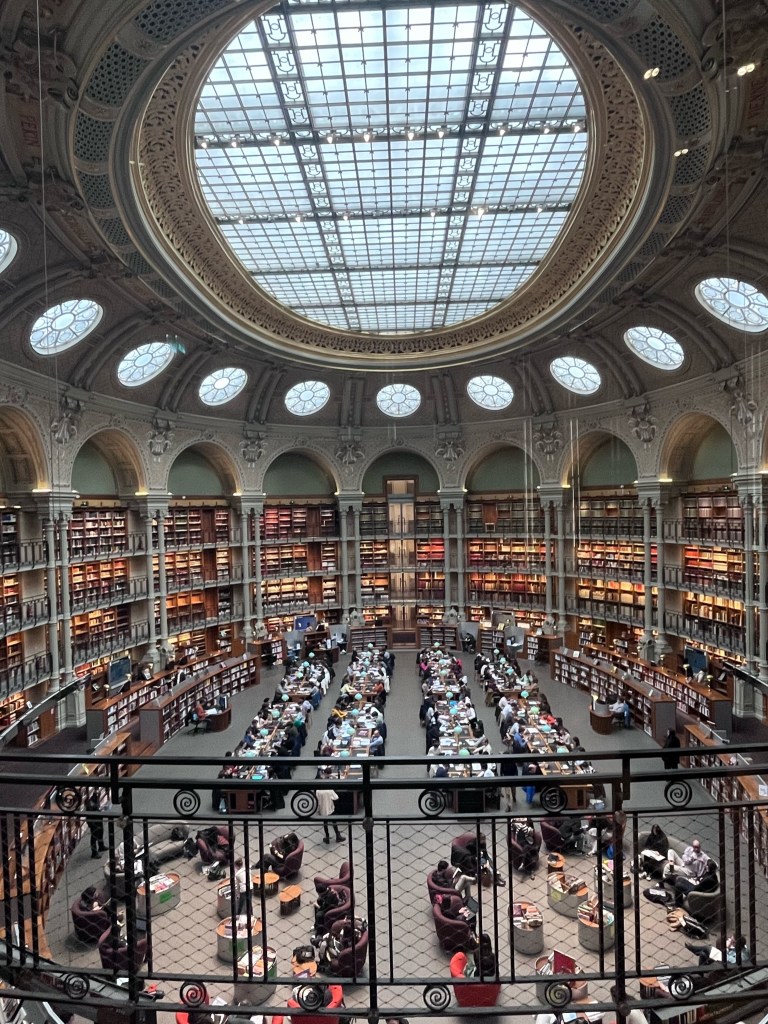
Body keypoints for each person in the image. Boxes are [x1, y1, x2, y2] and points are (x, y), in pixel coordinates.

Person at [317, 770, 344, 844]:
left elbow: (316, 800)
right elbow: (336, 797)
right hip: (330, 808)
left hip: (322, 809)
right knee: (334, 822)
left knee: (325, 824)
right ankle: (338, 836)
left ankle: (327, 837)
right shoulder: (329, 789)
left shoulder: (318, 791)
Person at [85, 791, 108, 859]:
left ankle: (101, 846)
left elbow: (97, 809)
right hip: (94, 822)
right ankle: (94, 853)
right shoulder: (90, 803)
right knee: (94, 837)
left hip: (98, 820)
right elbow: (92, 813)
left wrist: (100, 810)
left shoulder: (96, 800)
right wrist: (100, 811)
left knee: (100, 833)